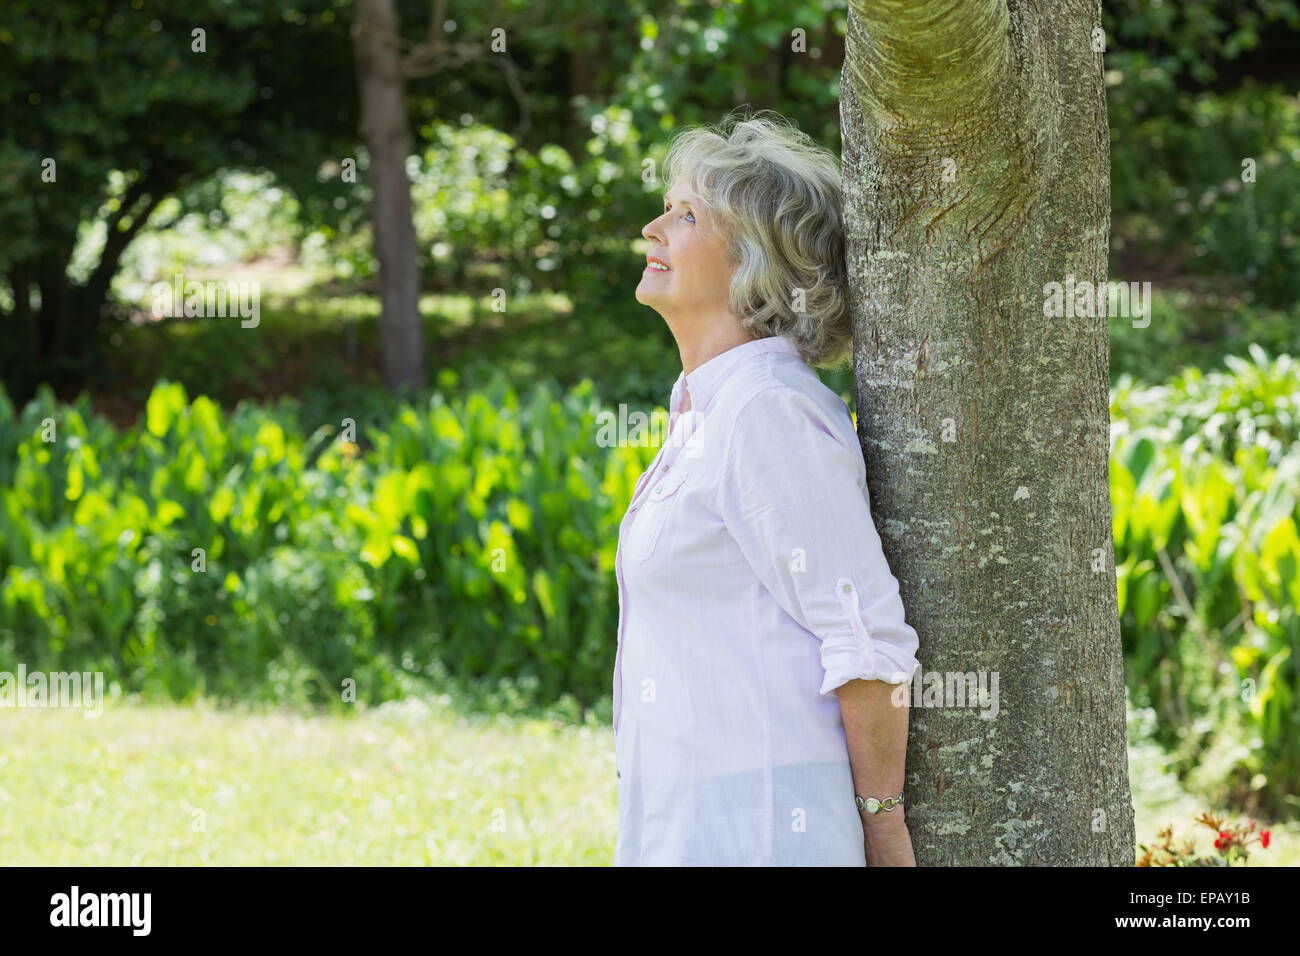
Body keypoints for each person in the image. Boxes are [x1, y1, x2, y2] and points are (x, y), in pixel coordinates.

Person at [613, 109, 921, 866]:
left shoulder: (767, 412)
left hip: (761, 827)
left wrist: (883, 831)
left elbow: (866, 639)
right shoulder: (709, 408)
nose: (653, 229)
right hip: (690, 821)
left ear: (755, 259)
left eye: (685, 215)